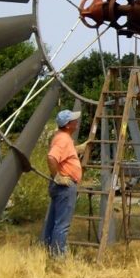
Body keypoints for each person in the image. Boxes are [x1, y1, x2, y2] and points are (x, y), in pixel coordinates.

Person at [42, 109, 84, 256]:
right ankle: (58, 258)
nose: (76, 122)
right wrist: (58, 176)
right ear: (67, 125)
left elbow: (65, 153)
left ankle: (46, 252)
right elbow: (52, 157)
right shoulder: (63, 139)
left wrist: (80, 148)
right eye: (74, 120)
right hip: (65, 186)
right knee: (62, 225)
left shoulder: (62, 137)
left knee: (53, 222)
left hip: (61, 186)